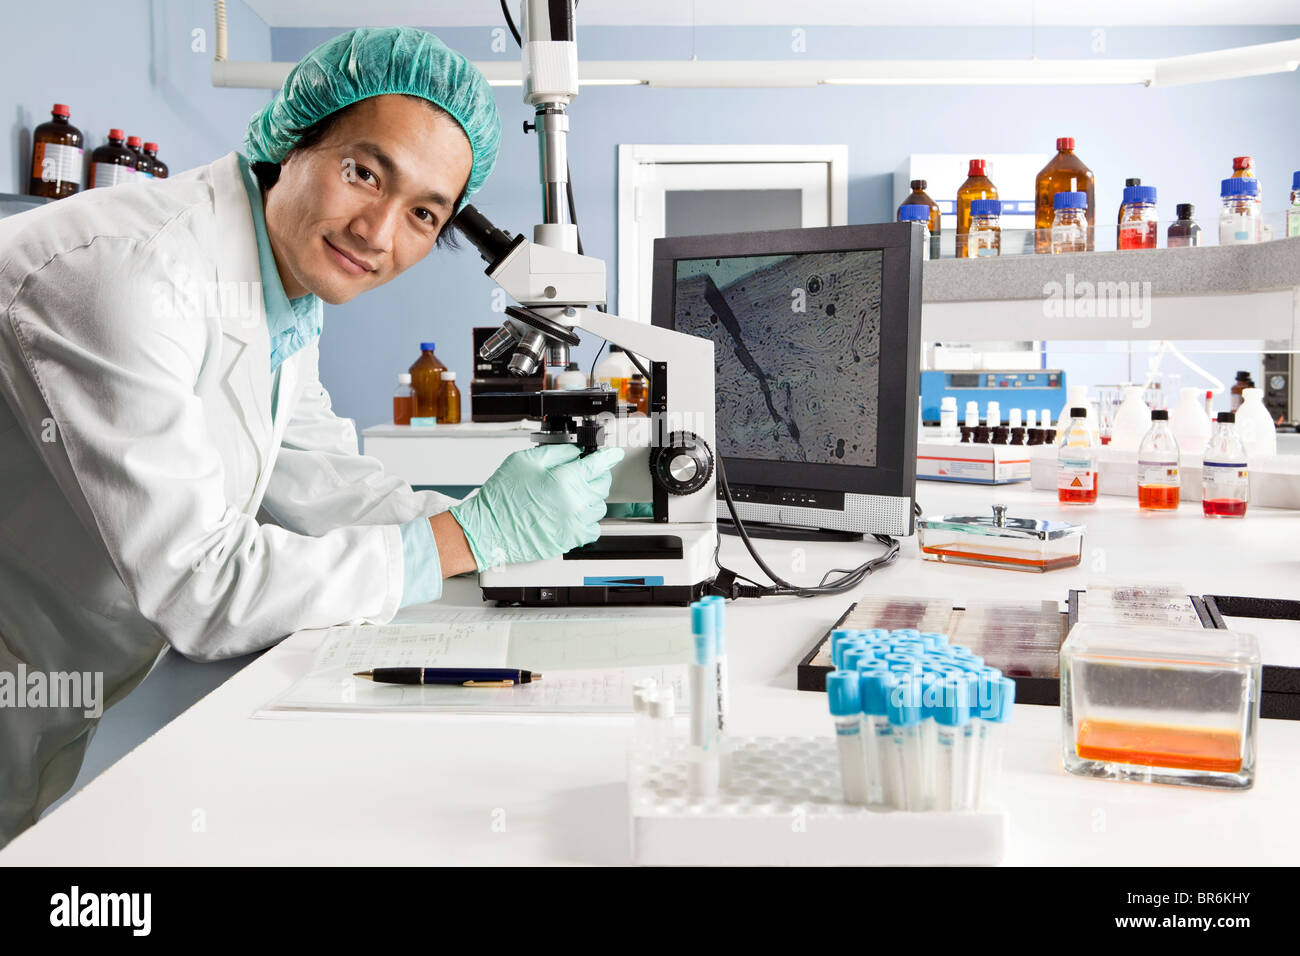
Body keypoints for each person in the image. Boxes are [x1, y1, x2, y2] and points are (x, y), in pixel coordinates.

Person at [0, 27, 622, 847]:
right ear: (293, 142)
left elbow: (324, 479)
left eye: (423, 214)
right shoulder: (125, 274)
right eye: (364, 172)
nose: (377, 232)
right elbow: (203, 585)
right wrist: (470, 534)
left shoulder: (279, 289)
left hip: (60, 683)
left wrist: (502, 538)